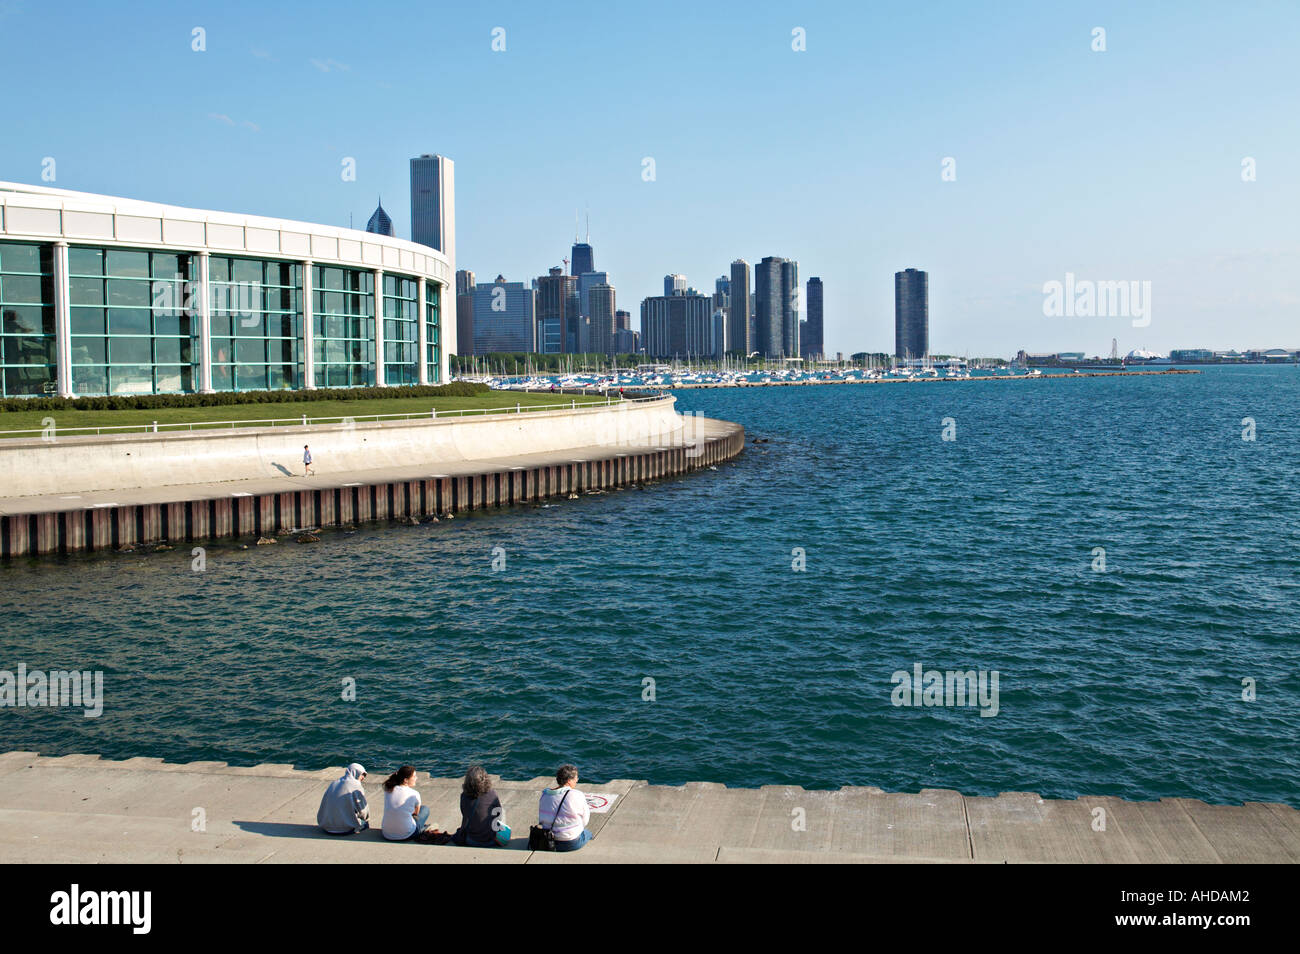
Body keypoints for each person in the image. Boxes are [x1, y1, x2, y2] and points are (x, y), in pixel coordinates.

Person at [537, 763, 591, 851]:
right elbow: (585, 820)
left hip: (547, 839)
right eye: (576, 778)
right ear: (569, 780)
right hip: (569, 842)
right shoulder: (577, 794)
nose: (577, 780)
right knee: (588, 833)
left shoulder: (545, 794)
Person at [452, 765, 506, 848]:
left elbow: (465, 816)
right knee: (502, 811)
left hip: (471, 841)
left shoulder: (464, 796)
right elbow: (498, 813)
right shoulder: (492, 794)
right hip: (491, 840)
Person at [317, 762, 369, 835]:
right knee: (365, 824)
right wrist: (365, 819)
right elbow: (363, 811)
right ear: (356, 773)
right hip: (344, 829)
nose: (363, 777)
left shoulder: (334, 783)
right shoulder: (356, 786)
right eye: (362, 774)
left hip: (326, 826)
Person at [381, 765, 431, 841]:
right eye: (414, 776)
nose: (416, 778)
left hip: (386, 834)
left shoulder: (388, 789)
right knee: (425, 809)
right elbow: (416, 814)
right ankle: (422, 829)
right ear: (405, 780)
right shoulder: (414, 793)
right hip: (406, 835)